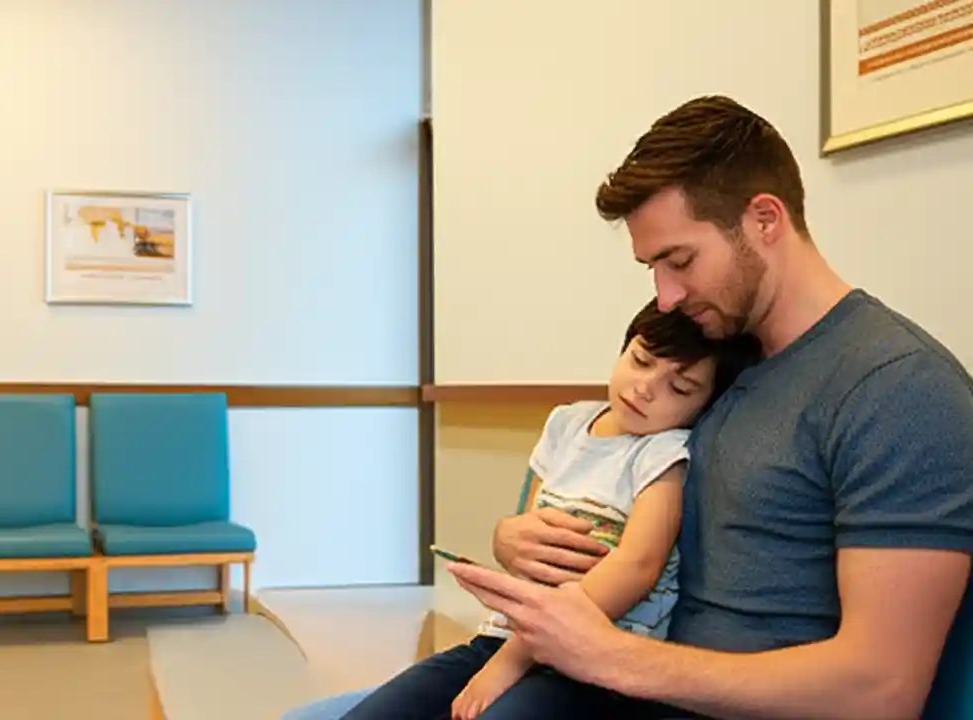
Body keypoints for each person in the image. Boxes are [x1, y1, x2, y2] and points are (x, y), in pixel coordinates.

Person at [446, 95, 973, 719]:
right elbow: (637, 516)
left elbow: (880, 690)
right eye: (652, 268)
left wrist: (611, 657)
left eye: (681, 261)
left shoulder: (899, 391)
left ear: (765, 220)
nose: (665, 297)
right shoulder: (720, 362)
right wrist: (519, 539)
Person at [339, 299, 758, 720]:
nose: (646, 387)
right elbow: (527, 536)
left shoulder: (665, 455)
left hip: (586, 667)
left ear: (704, 406)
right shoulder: (566, 424)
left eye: (680, 388)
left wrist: (512, 661)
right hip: (502, 639)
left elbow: (637, 567)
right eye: (641, 360)